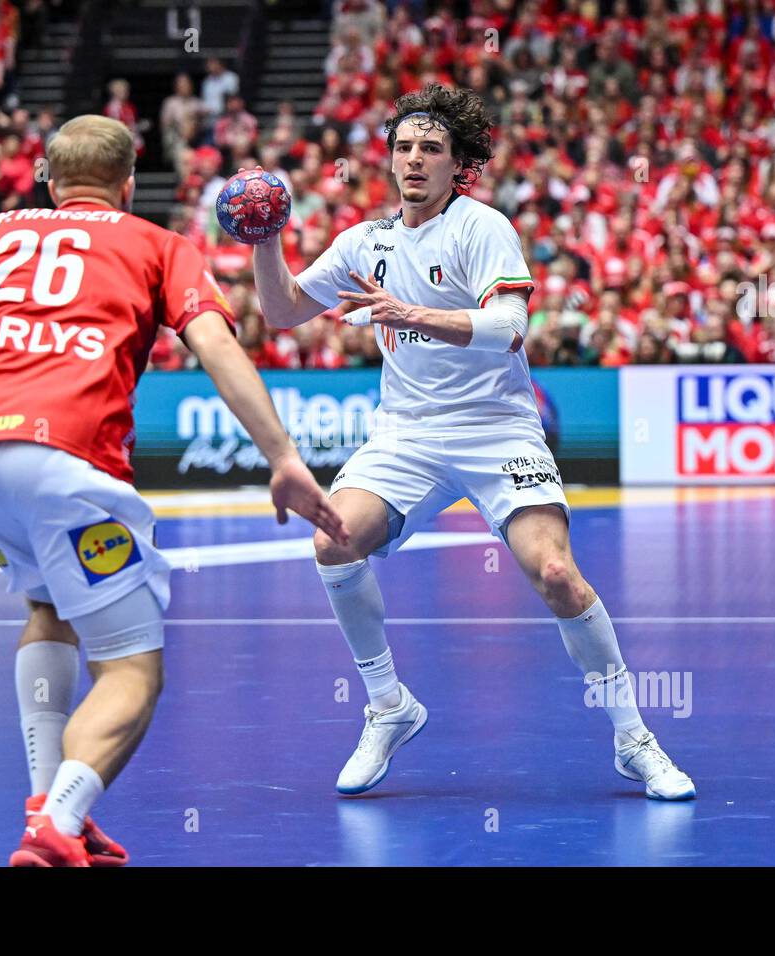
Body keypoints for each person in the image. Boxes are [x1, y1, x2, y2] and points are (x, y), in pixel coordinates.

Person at [0, 115, 349, 867]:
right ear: (129, 186)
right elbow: (216, 347)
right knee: (133, 670)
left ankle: (48, 808)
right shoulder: (158, 243)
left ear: (46, 177)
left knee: (48, 607)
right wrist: (284, 456)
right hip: (66, 461)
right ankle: (60, 820)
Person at [250, 84, 696, 800]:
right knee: (333, 540)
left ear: (458, 163)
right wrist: (267, 242)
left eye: (431, 148)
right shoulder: (364, 242)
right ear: (390, 161)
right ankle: (389, 705)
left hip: (498, 428)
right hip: (408, 435)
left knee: (557, 576)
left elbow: (509, 328)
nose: (415, 159)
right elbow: (278, 312)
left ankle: (633, 738)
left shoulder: (481, 227)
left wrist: (408, 313)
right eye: (404, 147)